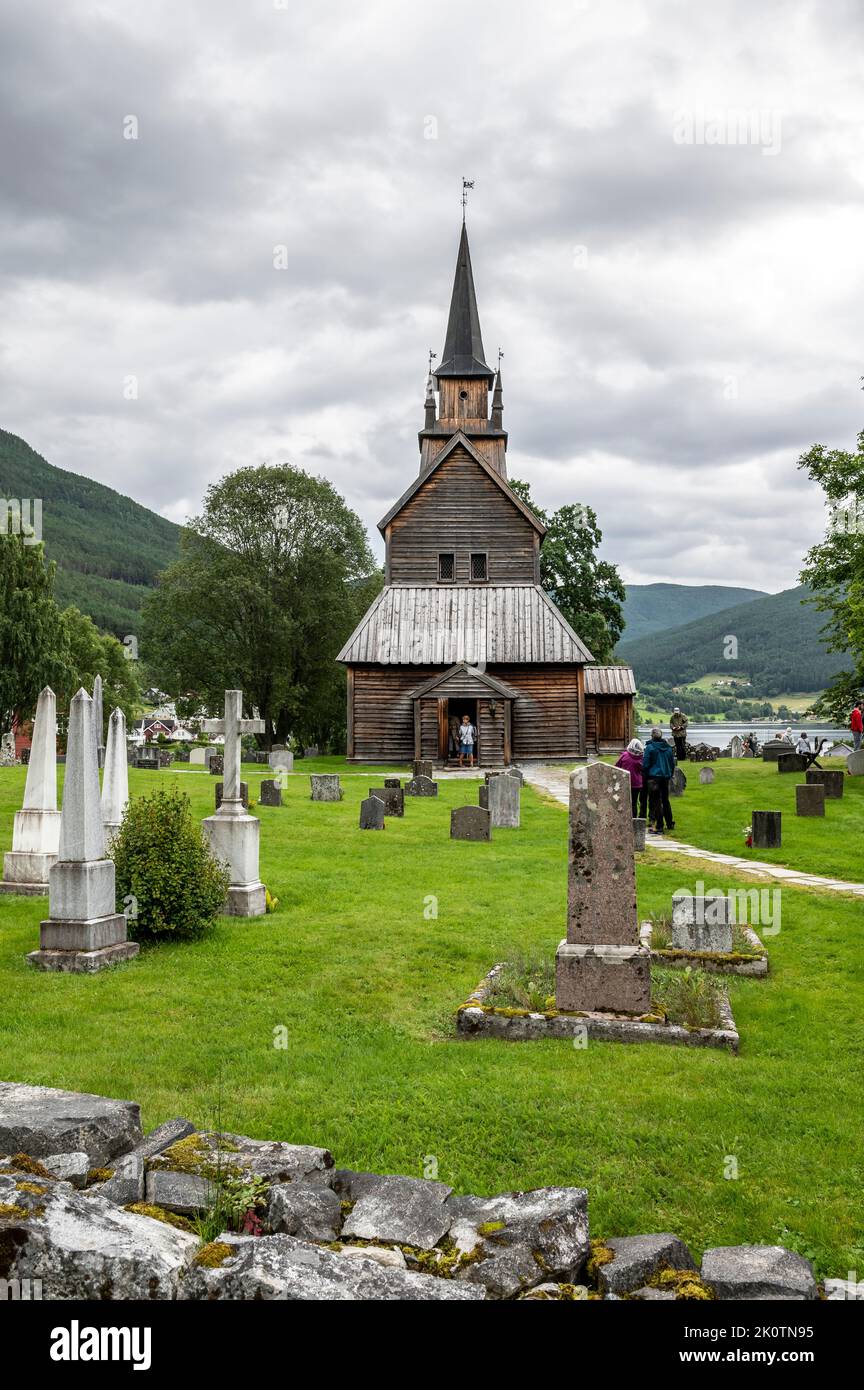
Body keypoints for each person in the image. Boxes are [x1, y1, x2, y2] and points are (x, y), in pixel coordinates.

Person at [642, 726, 676, 835]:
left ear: (652, 736)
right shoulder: (668, 748)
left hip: (654, 777)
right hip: (665, 777)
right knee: (665, 800)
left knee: (656, 802)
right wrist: (669, 774)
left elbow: (646, 764)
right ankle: (670, 823)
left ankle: (659, 827)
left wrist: (645, 775)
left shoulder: (650, 748)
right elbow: (672, 764)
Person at [616, 738, 647, 818]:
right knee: (634, 802)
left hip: (625, 781)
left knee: (624, 802)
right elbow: (644, 769)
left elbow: (616, 767)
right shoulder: (642, 757)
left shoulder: (625, 755)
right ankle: (633, 819)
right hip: (637, 784)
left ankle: (624, 818)